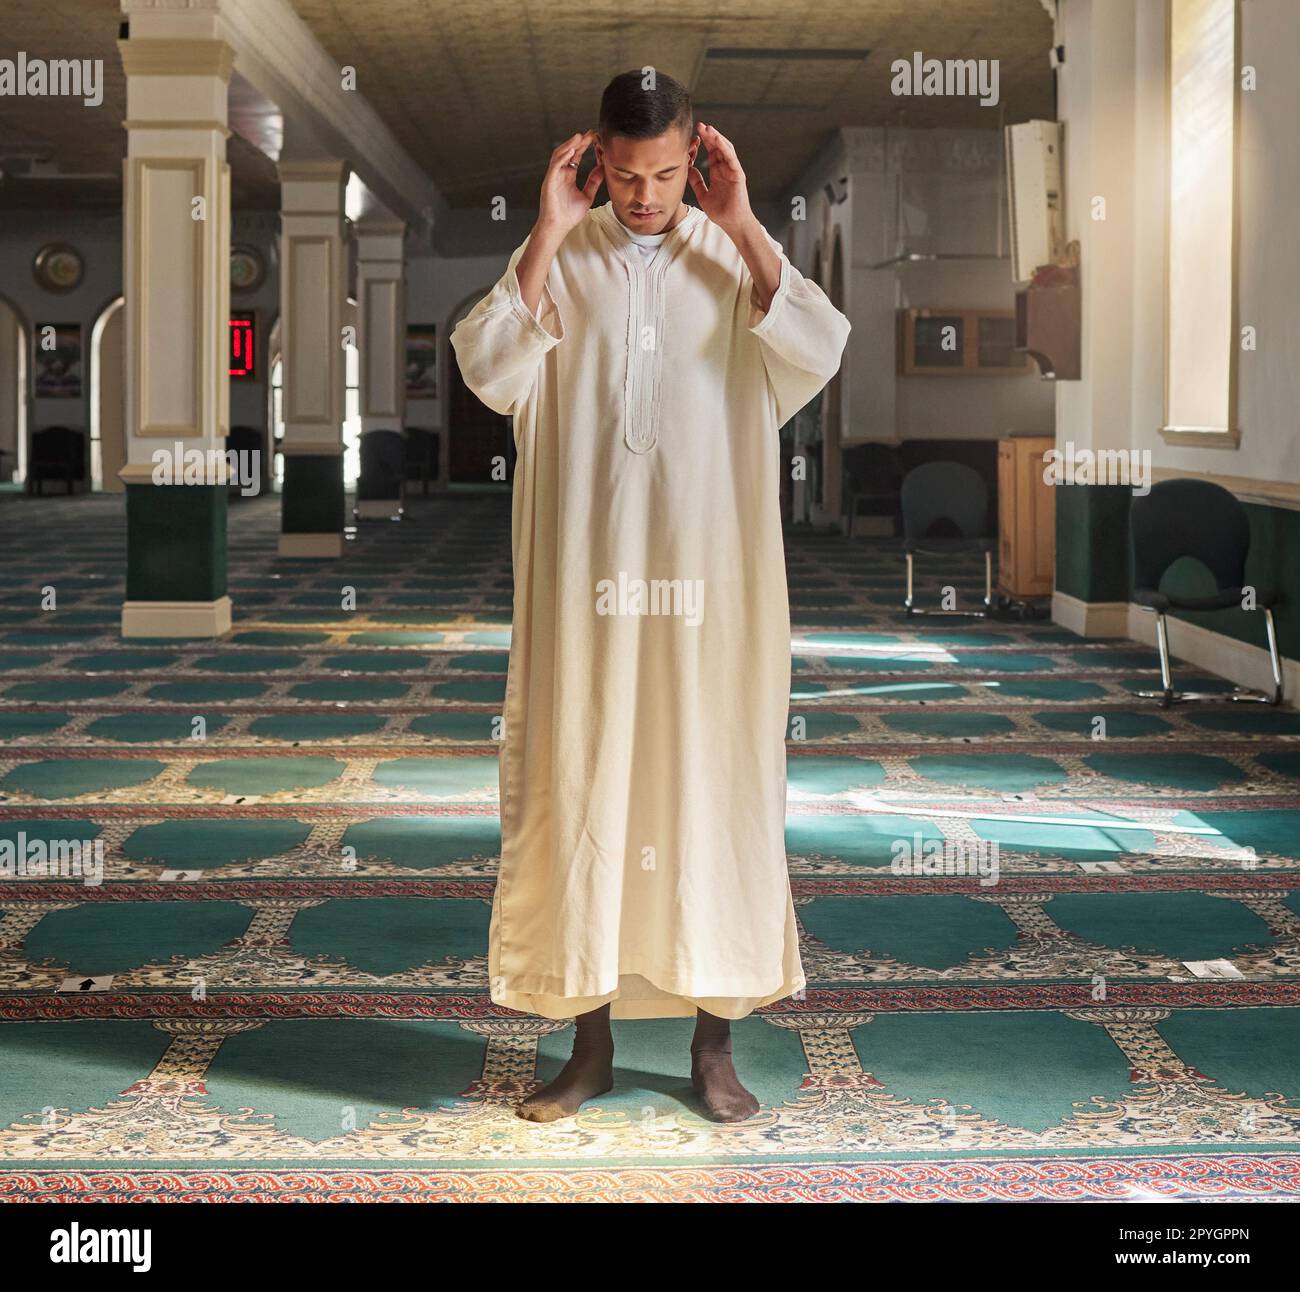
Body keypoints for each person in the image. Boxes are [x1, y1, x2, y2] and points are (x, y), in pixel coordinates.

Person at [450, 69, 850, 1124]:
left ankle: (713, 1047)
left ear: (697, 160)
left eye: (665, 173)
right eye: (623, 176)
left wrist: (745, 218)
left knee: (706, 790)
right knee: (582, 786)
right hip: (583, 585)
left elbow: (817, 345)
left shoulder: (731, 255)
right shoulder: (560, 256)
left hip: (711, 585)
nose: (642, 195)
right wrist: (546, 224)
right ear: (593, 161)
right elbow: (488, 364)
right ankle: (588, 1044)